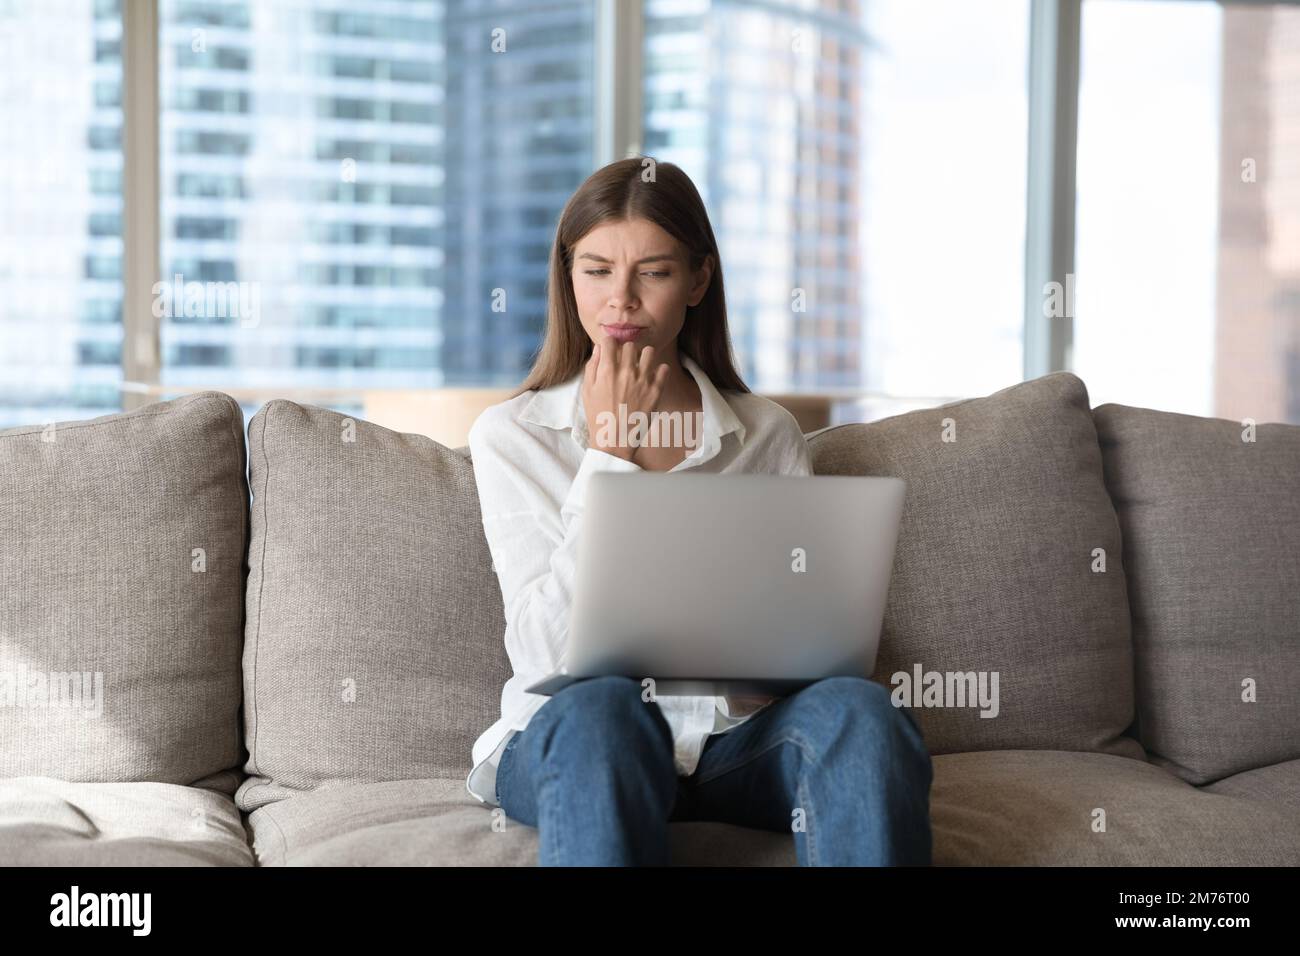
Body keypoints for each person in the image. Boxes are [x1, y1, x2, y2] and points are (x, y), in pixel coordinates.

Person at [464, 156, 932, 866]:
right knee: (601, 709)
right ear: (568, 278)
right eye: (595, 270)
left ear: (697, 281)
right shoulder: (515, 438)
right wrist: (611, 457)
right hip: (586, 741)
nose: (619, 299)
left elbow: (808, 647)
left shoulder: (765, 433)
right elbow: (541, 656)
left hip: (735, 747)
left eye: (652, 272)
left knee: (860, 711)